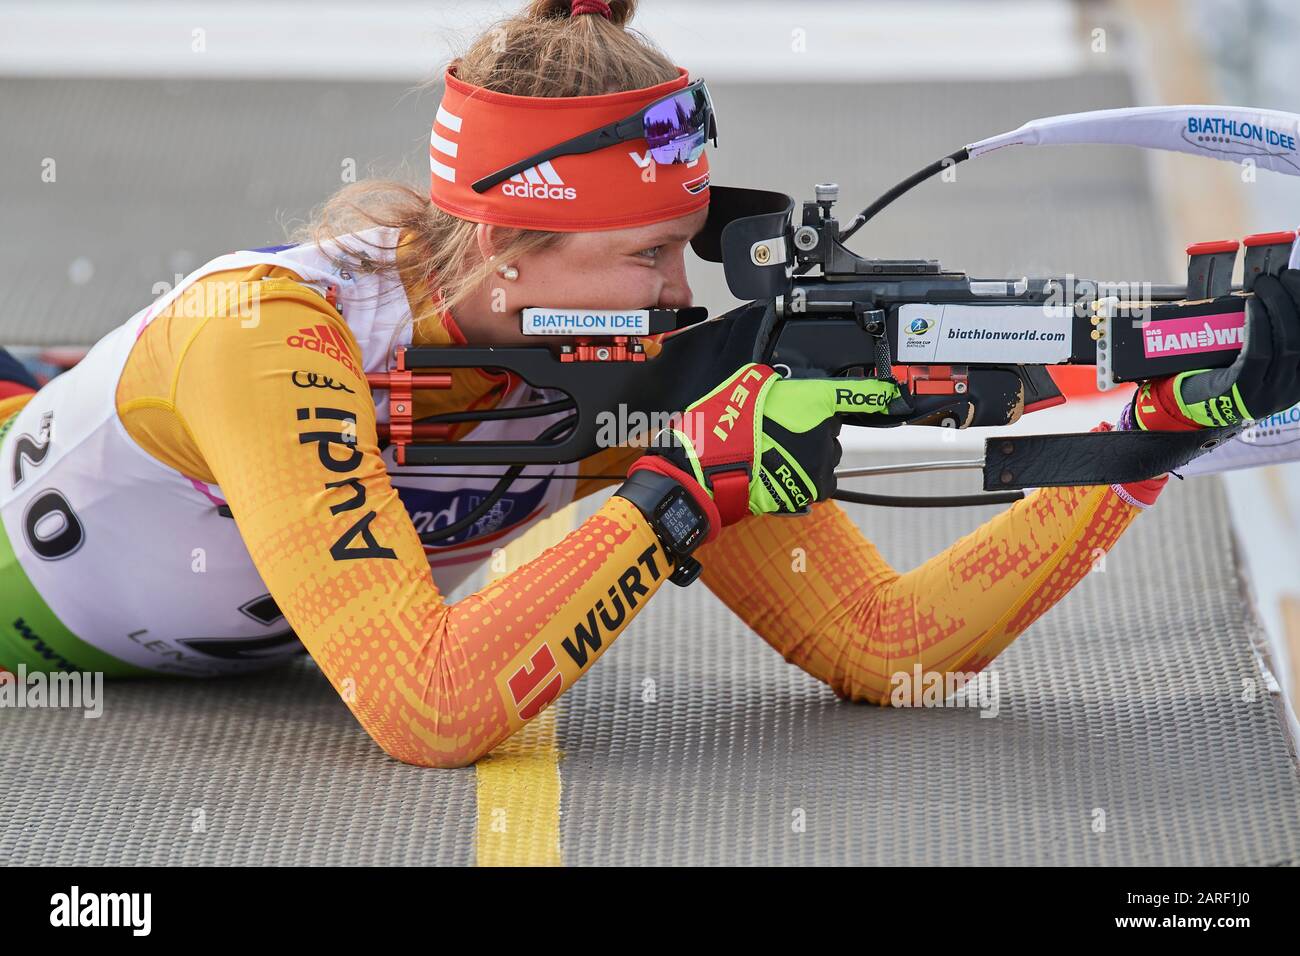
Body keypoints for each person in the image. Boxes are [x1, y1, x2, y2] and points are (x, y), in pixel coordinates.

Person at [1, 0, 1298, 768]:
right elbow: (427, 702)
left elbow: (888, 648)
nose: (686, 297)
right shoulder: (268, 336)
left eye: (688, 246)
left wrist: (1161, 428)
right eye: (647, 255)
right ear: (507, 246)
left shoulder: (622, 366)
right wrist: (682, 495)